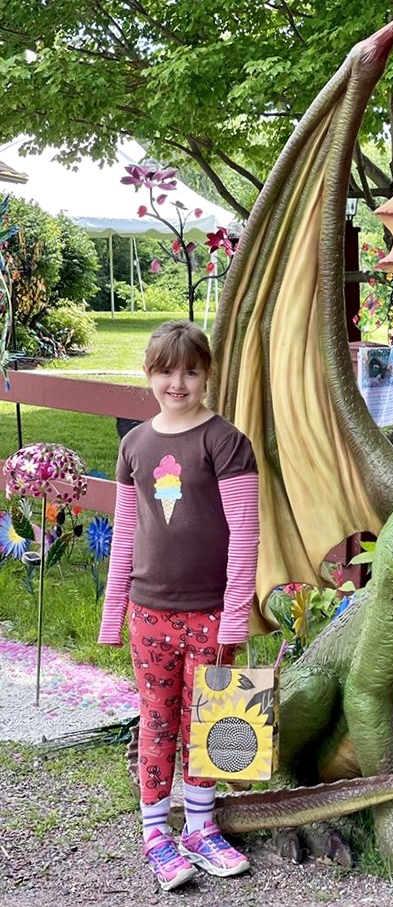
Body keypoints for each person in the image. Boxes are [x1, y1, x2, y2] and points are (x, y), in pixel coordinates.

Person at [98, 321, 259, 892]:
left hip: (211, 614)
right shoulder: (134, 446)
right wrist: (112, 613)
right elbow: (125, 533)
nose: (178, 381)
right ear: (150, 374)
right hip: (149, 616)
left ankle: (198, 827)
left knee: (208, 722)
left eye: (191, 370)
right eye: (166, 370)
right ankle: (155, 834)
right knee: (158, 722)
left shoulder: (225, 441)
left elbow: (245, 533)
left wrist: (236, 616)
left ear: (206, 374)